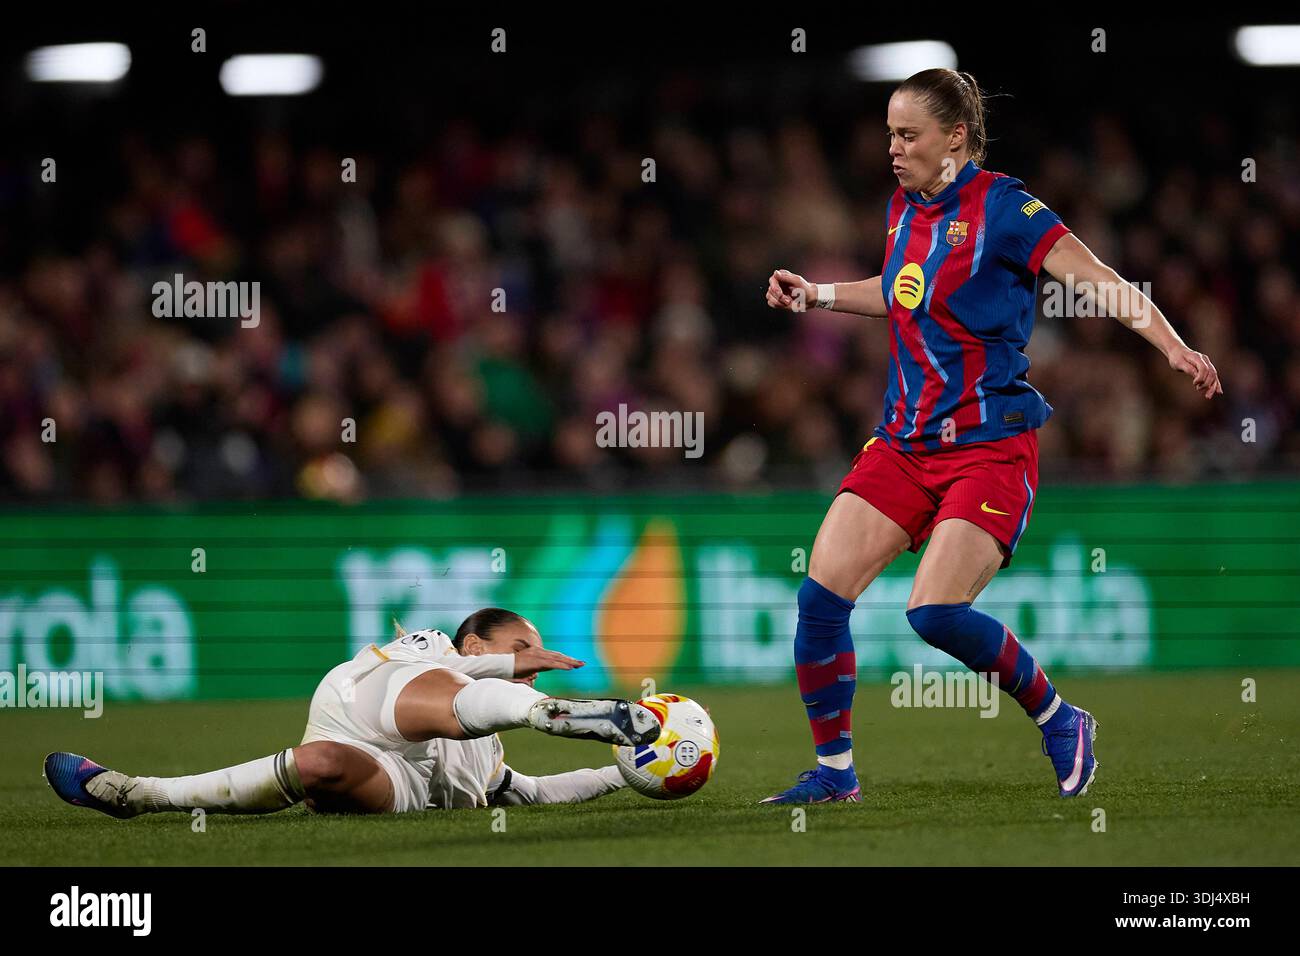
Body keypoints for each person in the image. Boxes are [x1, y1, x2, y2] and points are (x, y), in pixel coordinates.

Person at [761, 68, 1222, 803]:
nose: (893, 147)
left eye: (908, 134)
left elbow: (1098, 277)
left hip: (988, 446)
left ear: (956, 138)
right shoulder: (903, 209)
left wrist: (1170, 346)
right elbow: (898, 292)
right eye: (889, 133)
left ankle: (1060, 716)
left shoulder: (1007, 209)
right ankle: (835, 775)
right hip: (905, 444)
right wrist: (814, 294)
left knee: (933, 612)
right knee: (820, 600)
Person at [45, 608, 657, 816]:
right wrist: (512, 675)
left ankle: (137, 795)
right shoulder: (436, 646)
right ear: (476, 644)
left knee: (320, 765)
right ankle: (557, 714)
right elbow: (439, 677)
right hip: (361, 706)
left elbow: (531, 794)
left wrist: (625, 769)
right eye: (520, 648)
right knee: (440, 686)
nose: (533, 656)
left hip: (396, 774)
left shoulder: (486, 755)